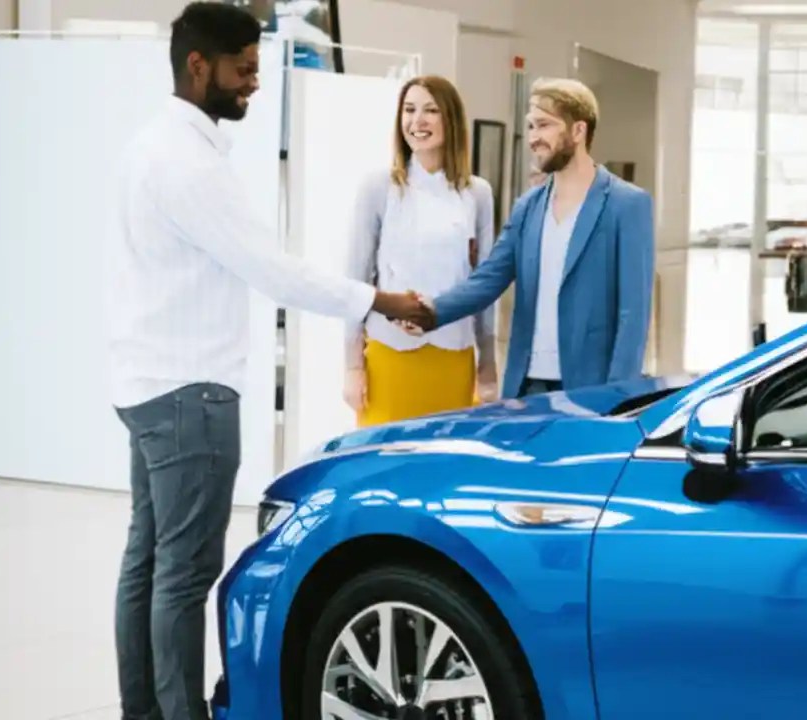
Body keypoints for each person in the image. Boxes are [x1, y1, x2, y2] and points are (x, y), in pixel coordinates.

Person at [101, 4, 431, 719]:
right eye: (244, 69)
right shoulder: (187, 164)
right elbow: (274, 271)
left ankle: (144, 713)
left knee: (148, 564)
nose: (255, 82)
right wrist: (383, 300)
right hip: (191, 392)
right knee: (183, 577)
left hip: (147, 383)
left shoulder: (149, 145)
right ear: (198, 66)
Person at [407, 77, 656, 398]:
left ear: (578, 131)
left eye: (544, 126)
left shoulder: (627, 204)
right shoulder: (528, 206)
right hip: (526, 386)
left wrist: (618, 396)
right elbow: (488, 279)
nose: (534, 138)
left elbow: (633, 315)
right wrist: (432, 310)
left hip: (591, 387)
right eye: (531, 127)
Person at [343, 75, 498, 426]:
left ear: (451, 120)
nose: (417, 121)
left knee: (443, 469)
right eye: (409, 110)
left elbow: (485, 287)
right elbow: (355, 281)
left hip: (453, 356)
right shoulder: (378, 186)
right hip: (389, 356)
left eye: (430, 110)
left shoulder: (478, 193)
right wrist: (352, 366)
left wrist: (488, 367)